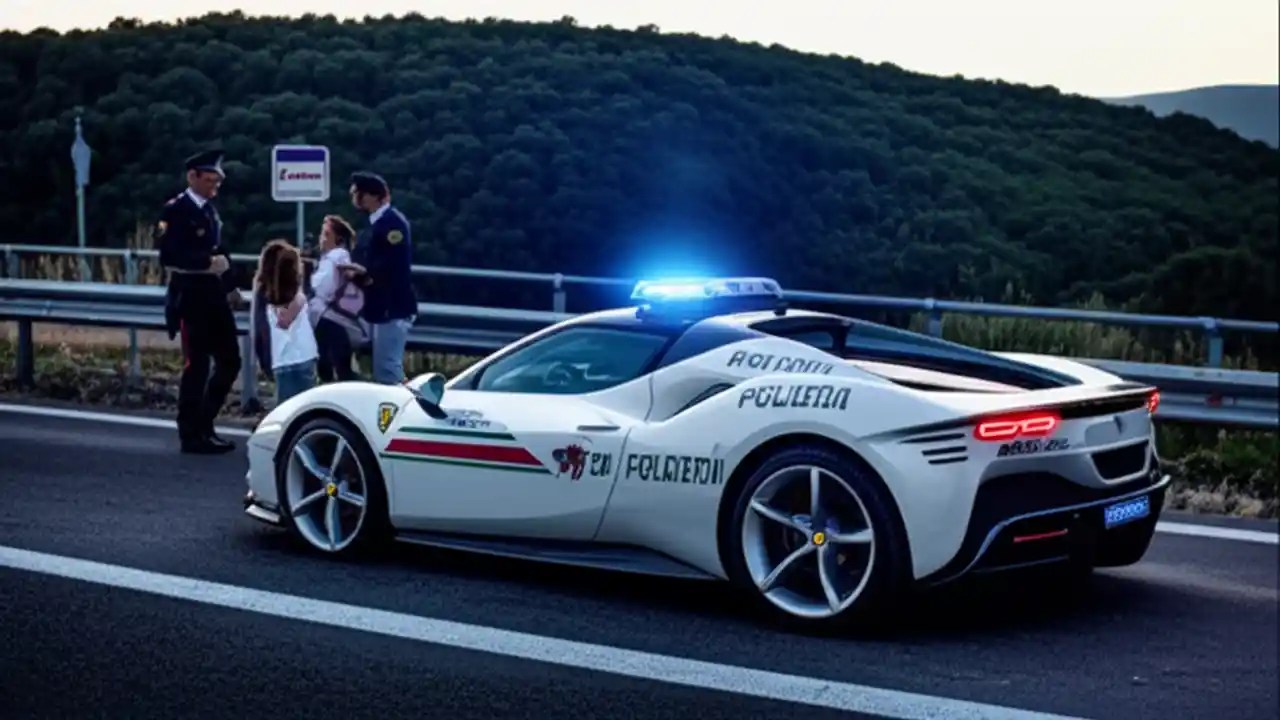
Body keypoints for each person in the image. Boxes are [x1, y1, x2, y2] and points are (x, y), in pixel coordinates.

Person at [156, 148, 241, 454]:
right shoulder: (176, 210)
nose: (214, 186)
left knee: (230, 360)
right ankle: (190, 432)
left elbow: (221, 251)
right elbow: (169, 255)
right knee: (198, 365)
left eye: (217, 181)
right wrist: (205, 262)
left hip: (214, 294)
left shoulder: (210, 210)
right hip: (190, 294)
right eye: (209, 180)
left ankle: (205, 421)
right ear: (192, 177)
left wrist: (231, 286)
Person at [344, 171, 416, 384]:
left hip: (392, 306)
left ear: (373, 196)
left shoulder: (392, 224)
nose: (355, 198)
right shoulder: (376, 223)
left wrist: (363, 273)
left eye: (358, 193)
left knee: (387, 369)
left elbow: (392, 264)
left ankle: (408, 402)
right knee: (383, 368)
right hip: (380, 306)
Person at [255, 239, 318, 404]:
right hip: (303, 356)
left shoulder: (264, 295)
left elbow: (259, 329)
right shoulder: (297, 295)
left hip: (280, 360)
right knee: (306, 406)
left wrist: (263, 360)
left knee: (286, 408)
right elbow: (287, 319)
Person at [308, 214, 367, 382]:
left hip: (328, 315)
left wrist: (352, 272)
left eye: (327, 234)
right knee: (329, 362)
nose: (322, 238)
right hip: (322, 315)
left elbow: (329, 282)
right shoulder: (326, 258)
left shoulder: (338, 254)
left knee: (332, 364)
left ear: (338, 239)